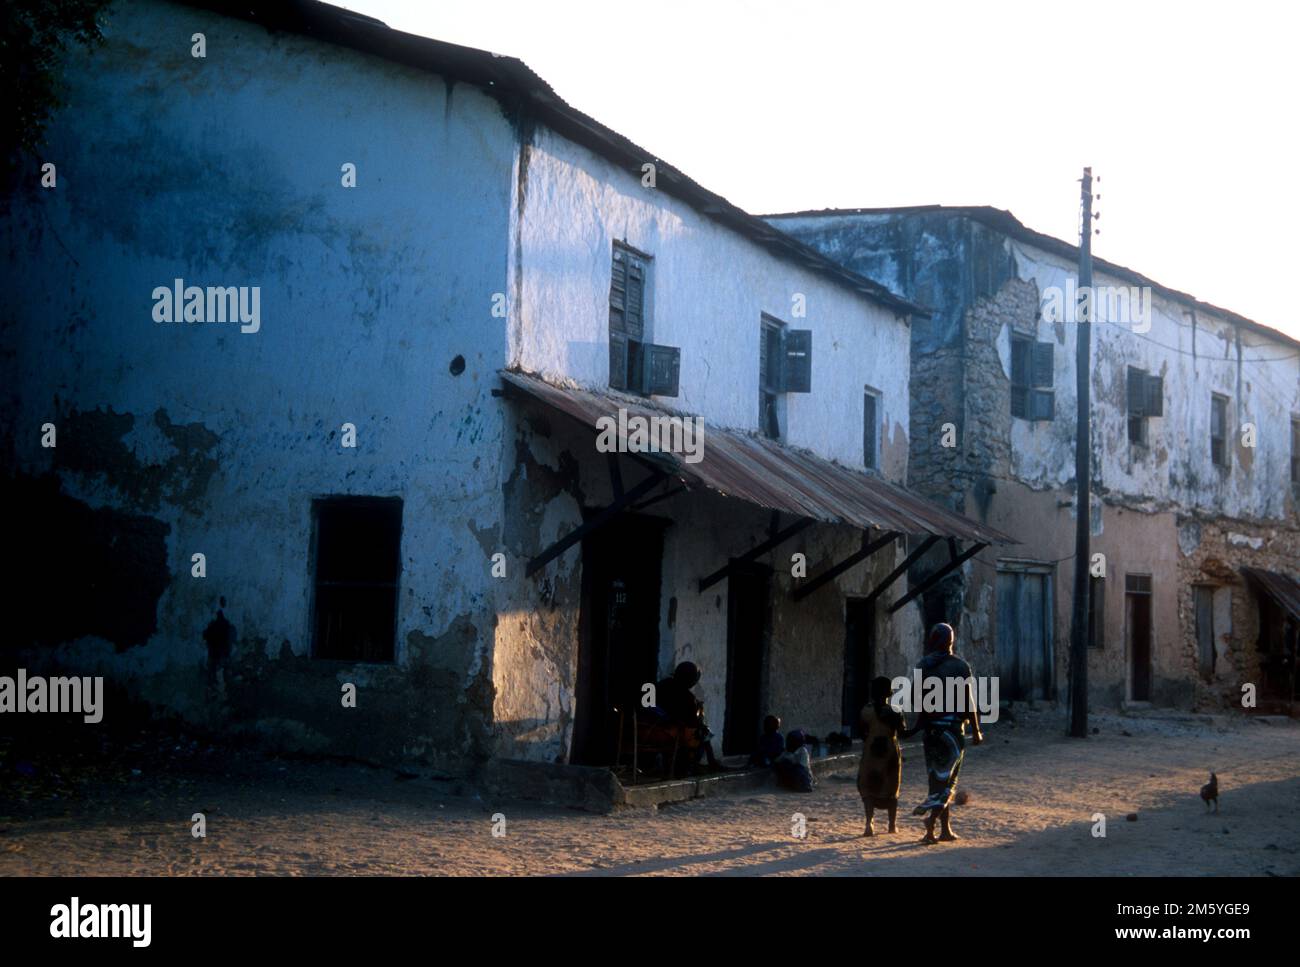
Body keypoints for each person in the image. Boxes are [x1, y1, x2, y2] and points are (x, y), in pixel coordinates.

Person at [907, 623, 983, 844]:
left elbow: (914, 699)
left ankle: (943, 829)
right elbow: (969, 702)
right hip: (952, 733)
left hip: (931, 733)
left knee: (936, 779)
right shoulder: (960, 667)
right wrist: (977, 730)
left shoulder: (923, 666)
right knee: (949, 781)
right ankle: (932, 824)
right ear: (952, 641)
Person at [654, 661, 724, 773]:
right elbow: (692, 723)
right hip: (669, 733)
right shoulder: (688, 698)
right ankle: (707, 763)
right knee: (702, 732)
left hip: (650, 730)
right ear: (691, 680)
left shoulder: (661, 685)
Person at [858, 676, 905, 835]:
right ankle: (891, 825)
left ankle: (869, 823)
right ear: (889, 693)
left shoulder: (866, 711)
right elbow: (903, 733)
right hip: (890, 753)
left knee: (868, 786)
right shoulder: (895, 711)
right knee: (891, 787)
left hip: (871, 752)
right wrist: (921, 726)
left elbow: (861, 733)